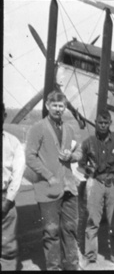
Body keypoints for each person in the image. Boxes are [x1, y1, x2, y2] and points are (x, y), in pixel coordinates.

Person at [25, 91, 83, 270]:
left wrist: (71, 156)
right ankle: (54, 268)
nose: (58, 109)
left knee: (71, 229)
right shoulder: (38, 128)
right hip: (48, 188)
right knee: (51, 232)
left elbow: (80, 152)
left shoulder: (69, 129)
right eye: (55, 105)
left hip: (69, 187)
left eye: (61, 106)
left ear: (65, 108)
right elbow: (30, 157)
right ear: (47, 106)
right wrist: (48, 175)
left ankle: (72, 266)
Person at [78, 109, 114, 267]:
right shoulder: (88, 142)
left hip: (113, 183)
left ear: (110, 123)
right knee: (92, 219)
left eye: (105, 123)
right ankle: (89, 255)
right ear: (95, 122)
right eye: (100, 122)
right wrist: (90, 172)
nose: (102, 125)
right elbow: (80, 165)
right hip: (96, 183)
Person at [2, 103, 25, 270]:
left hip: (4, 198)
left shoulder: (13, 142)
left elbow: (17, 174)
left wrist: (8, 200)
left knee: (8, 247)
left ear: (4, 116)